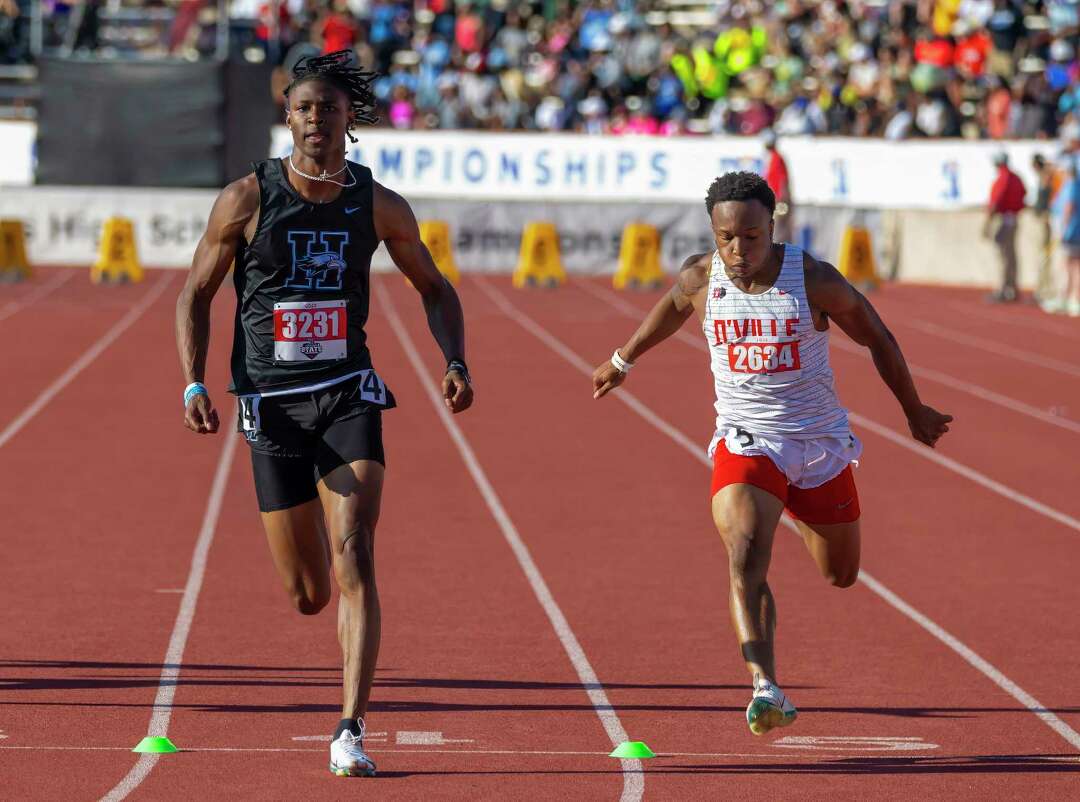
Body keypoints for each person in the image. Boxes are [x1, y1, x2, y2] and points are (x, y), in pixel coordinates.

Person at [174, 51, 473, 777]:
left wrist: (454, 359)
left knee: (355, 555)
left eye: (330, 109)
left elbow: (434, 287)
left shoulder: (377, 203)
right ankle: (338, 671)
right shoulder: (247, 198)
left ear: (350, 119)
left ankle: (349, 728)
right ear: (289, 115)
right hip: (270, 405)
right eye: (305, 108)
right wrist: (193, 383)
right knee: (308, 594)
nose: (317, 120)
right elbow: (194, 294)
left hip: (346, 391)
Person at [591, 171, 951, 736]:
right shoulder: (701, 278)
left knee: (841, 574)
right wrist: (622, 359)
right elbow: (672, 307)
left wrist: (914, 410)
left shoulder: (812, 280)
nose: (738, 250)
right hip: (745, 437)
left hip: (818, 444)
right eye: (726, 237)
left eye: (751, 237)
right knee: (744, 556)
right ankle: (766, 686)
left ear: (772, 225)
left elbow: (877, 336)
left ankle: (798, 514)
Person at [983, 151, 1025, 302]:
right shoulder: (1016, 178)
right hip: (1013, 218)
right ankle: (1012, 287)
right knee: (1011, 254)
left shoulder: (1003, 178)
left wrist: (987, 223)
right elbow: (1023, 196)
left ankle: (1004, 288)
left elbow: (996, 201)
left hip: (1004, 219)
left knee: (1003, 255)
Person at [762, 130, 794, 245]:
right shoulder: (771, 158)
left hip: (779, 200)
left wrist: (782, 200)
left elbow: (783, 181)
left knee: (779, 230)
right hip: (775, 200)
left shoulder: (777, 158)